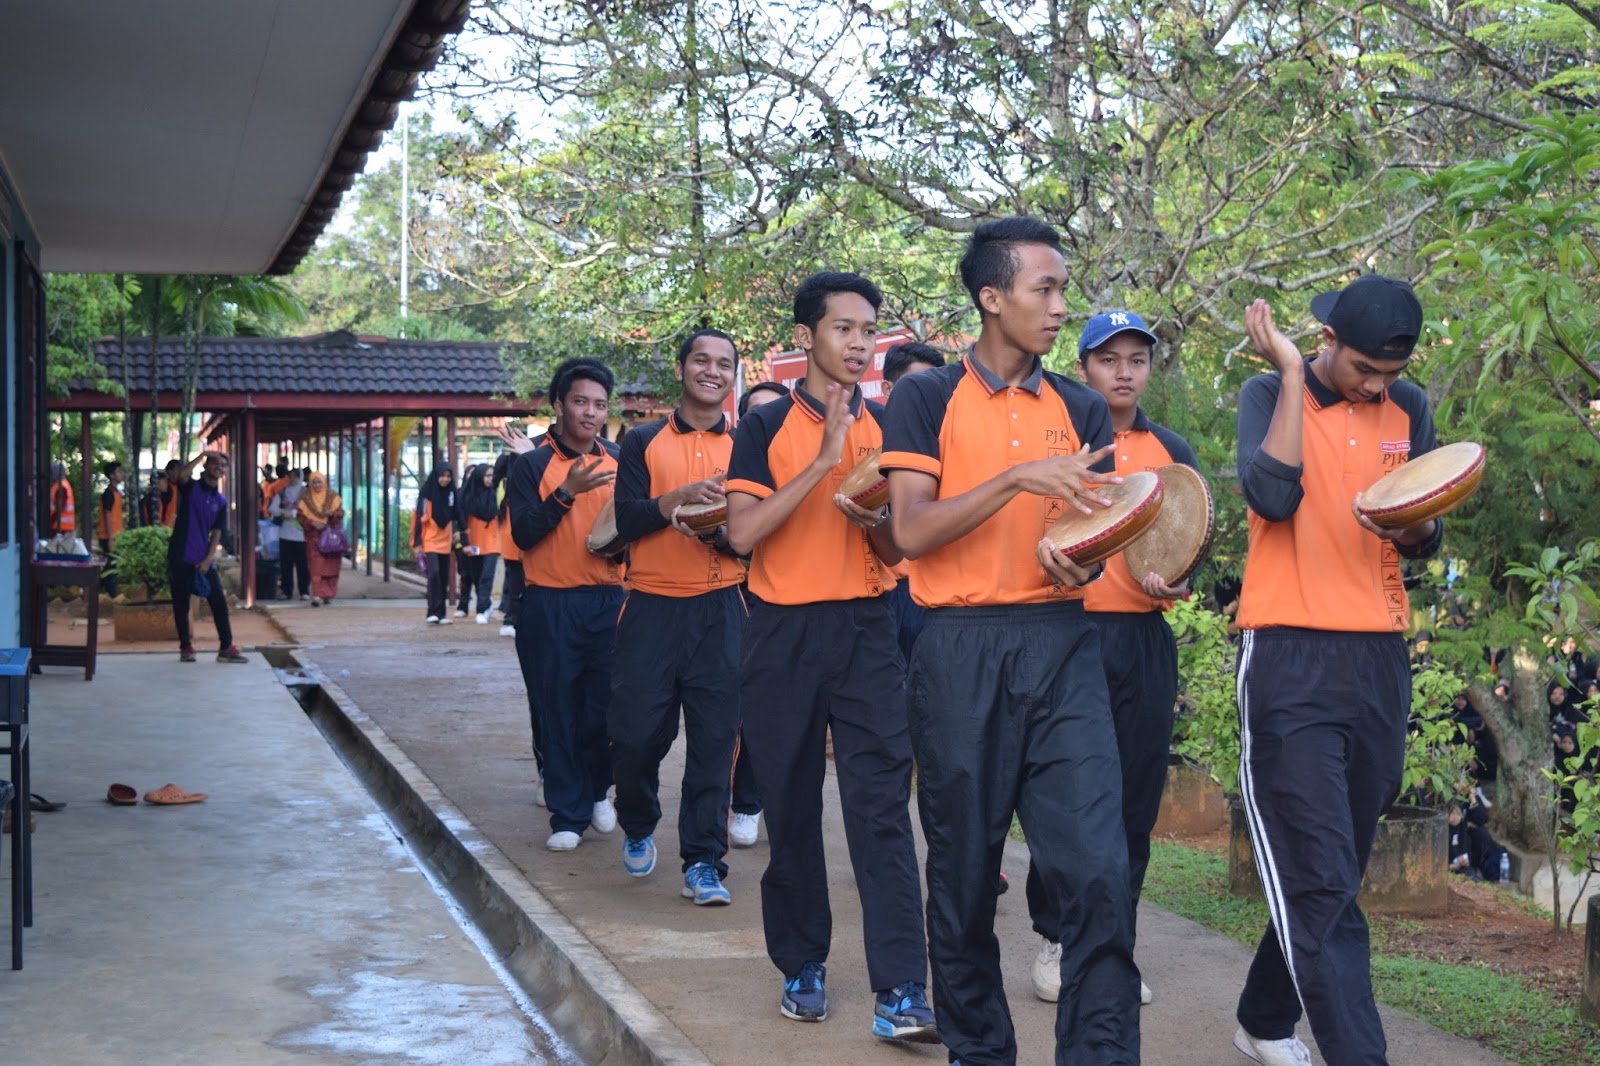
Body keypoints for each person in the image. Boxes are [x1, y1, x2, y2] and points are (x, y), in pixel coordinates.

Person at [881, 218, 1131, 1064]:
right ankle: (979, 1051)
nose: (1061, 307)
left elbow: (1088, 547)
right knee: (960, 878)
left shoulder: (1084, 405)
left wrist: (1084, 566)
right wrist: (1016, 478)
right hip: (957, 651)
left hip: (1063, 647)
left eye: (1063, 288)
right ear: (992, 298)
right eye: (1044, 289)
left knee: (1096, 871)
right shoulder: (924, 398)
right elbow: (910, 533)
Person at [1231, 274, 1444, 1066]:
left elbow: (1423, 533)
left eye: (1389, 375)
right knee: (1320, 877)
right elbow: (1271, 497)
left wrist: (1421, 529)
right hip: (1289, 654)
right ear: (1326, 343)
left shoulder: (1409, 408)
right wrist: (1291, 377)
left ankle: (1262, 1014)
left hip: (1379, 655)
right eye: (1363, 370)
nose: (1377, 386)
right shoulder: (1267, 392)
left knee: (1336, 865)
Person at [726, 271, 935, 1042]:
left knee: (881, 807)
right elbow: (743, 535)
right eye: (844, 327)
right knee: (789, 802)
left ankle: (903, 989)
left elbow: (897, 541)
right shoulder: (766, 426)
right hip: (781, 632)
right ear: (808, 336)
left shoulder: (889, 429)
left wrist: (868, 511)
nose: (858, 342)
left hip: (868, 627)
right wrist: (820, 462)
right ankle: (803, 963)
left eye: (868, 330)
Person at [1022, 309, 1199, 1009]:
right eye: (1109, 360)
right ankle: (1058, 937)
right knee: (1065, 797)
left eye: (1137, 360)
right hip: (1070, 634)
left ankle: (1113, 944)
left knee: (1134, 800)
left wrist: (1179, 582)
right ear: (1084, 366)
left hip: (1144, 641)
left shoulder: (1170, 447)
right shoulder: (1069, 441)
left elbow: (1188, 542)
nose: (1124, 373)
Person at [607, 328, 744, 904]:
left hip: (723, 608)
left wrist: (719, 533)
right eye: (701, 360)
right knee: (636, 737)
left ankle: (704, 862)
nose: (712, 371)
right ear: (682, 367)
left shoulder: (749, 443)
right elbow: (626, 519)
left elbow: (756, 536)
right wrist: (674, 502)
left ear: (733, 376)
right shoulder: (642, 440)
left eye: (724, 364)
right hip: (651, 607)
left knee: (715, 742)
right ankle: (637, 820)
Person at [508, 357, 624, 850]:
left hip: (609, 599)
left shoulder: (621, 458)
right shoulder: (531, 463)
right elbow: (524, 532)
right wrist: (566, 492)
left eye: (599, 404)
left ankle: (598, 789)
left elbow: (632, 525)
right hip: (549, 602)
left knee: (607, 711)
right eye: (580, 401)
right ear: (559, 405)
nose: (590, 413)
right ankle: (567, 814)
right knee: (557, 708)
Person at [727, 381, 791, 846]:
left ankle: (761, 803)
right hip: (741, 598)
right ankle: (738, 802)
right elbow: (736, 535)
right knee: (742, 712)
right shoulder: (739, 465)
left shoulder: (804, 455)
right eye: (758, 417)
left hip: (791, 606)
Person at [878, 341, 947, 667]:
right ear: (888, 388)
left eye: (934, 388)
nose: (926, 397)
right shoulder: (865, 436)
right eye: (916, 386)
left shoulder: (948, 441)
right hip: (884, 592)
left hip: (936, 591)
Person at [167, 451, 248, 664]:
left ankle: (226, 647)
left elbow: (217, 533)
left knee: (218, 602)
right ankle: (186, 646)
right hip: (180, 554)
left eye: (223, 465)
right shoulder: (191, 488)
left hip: (203, 557)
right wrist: (202, 453)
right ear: (206, 466)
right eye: (215, 463)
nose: (219, 468)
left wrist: (208, 558)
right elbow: (180, 475)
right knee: (181, 603)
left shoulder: (220, 501)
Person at [457, 462, 502, 624]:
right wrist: (465, 543)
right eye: (487, 475)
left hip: (492, 543)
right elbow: (462, 522)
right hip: (474, 543)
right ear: (479, 476)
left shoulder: (495, 494)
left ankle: (481, 609)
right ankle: (486, 603)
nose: (490, 479)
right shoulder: (466, 497)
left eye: (492, 475)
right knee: (476, 577)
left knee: (486, 577)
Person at [414, 465, 456, 623]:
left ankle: (441, 613)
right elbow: (418, 519)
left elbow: (457, 514)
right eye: (442, 476)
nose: (445, 479)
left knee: (444, 577)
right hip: (430, 540)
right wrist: (417, 543)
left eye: (448, 476)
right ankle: (431, 611)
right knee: (434, 574)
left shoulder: (451, 494)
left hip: (445, 540)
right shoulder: (426, 496)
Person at [298, 472, 345, 607]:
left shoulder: (333, 497)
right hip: (314, 539)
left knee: (331, 567)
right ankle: (317, 595)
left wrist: (332, 513)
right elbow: (300, 517)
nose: (317, 485)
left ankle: (328, 594)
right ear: (310, 484)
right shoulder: (305, 499)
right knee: (316, 566)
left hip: (332, 539)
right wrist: (312, 522)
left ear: (324, 482)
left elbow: (341, 513)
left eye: (319, 482)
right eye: (314, 482)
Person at [491, 449, 525, 639]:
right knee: (516, 587)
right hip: (516, 548)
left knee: (513, 586)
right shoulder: (513, 492)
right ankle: (510, 620)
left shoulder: (505, 490)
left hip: (512, 547)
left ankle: (511, 618)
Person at [273, 469, 309, 601]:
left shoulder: (306, 493)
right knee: (285, 565)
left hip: (302, 536)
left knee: (303, 565)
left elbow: (310, 510)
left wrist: (293, 513)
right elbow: (273, 508)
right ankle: (286, 591)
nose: (291, 480)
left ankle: (304, 590)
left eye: (294, 477)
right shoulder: (282, 492)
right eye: (290, 477)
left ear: (299, 478)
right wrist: (283, 512)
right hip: (285, 535)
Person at [97, 460, 125, 597]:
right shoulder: (109, 494)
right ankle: (111, 593)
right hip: (109, 537)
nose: (122, 474)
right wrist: (110, 538)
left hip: (115, 536)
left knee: (111, 565)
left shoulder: (116, 493)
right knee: (111, 567)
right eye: (119, 472)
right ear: (112, 476)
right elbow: (107, 515)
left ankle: (99, 588)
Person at [47, 460, 76, 539]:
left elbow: (59, 508)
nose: (51, 475)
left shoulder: (61, 487)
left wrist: (49, 523)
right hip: (64, 528)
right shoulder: (63, 485)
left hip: (60, 528)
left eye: (52, 472)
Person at [159, 459, 183, 528]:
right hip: (164, 528)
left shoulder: (179, 487)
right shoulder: (166, 489)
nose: (179, 473)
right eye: (177, 470)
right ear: (170, 471)